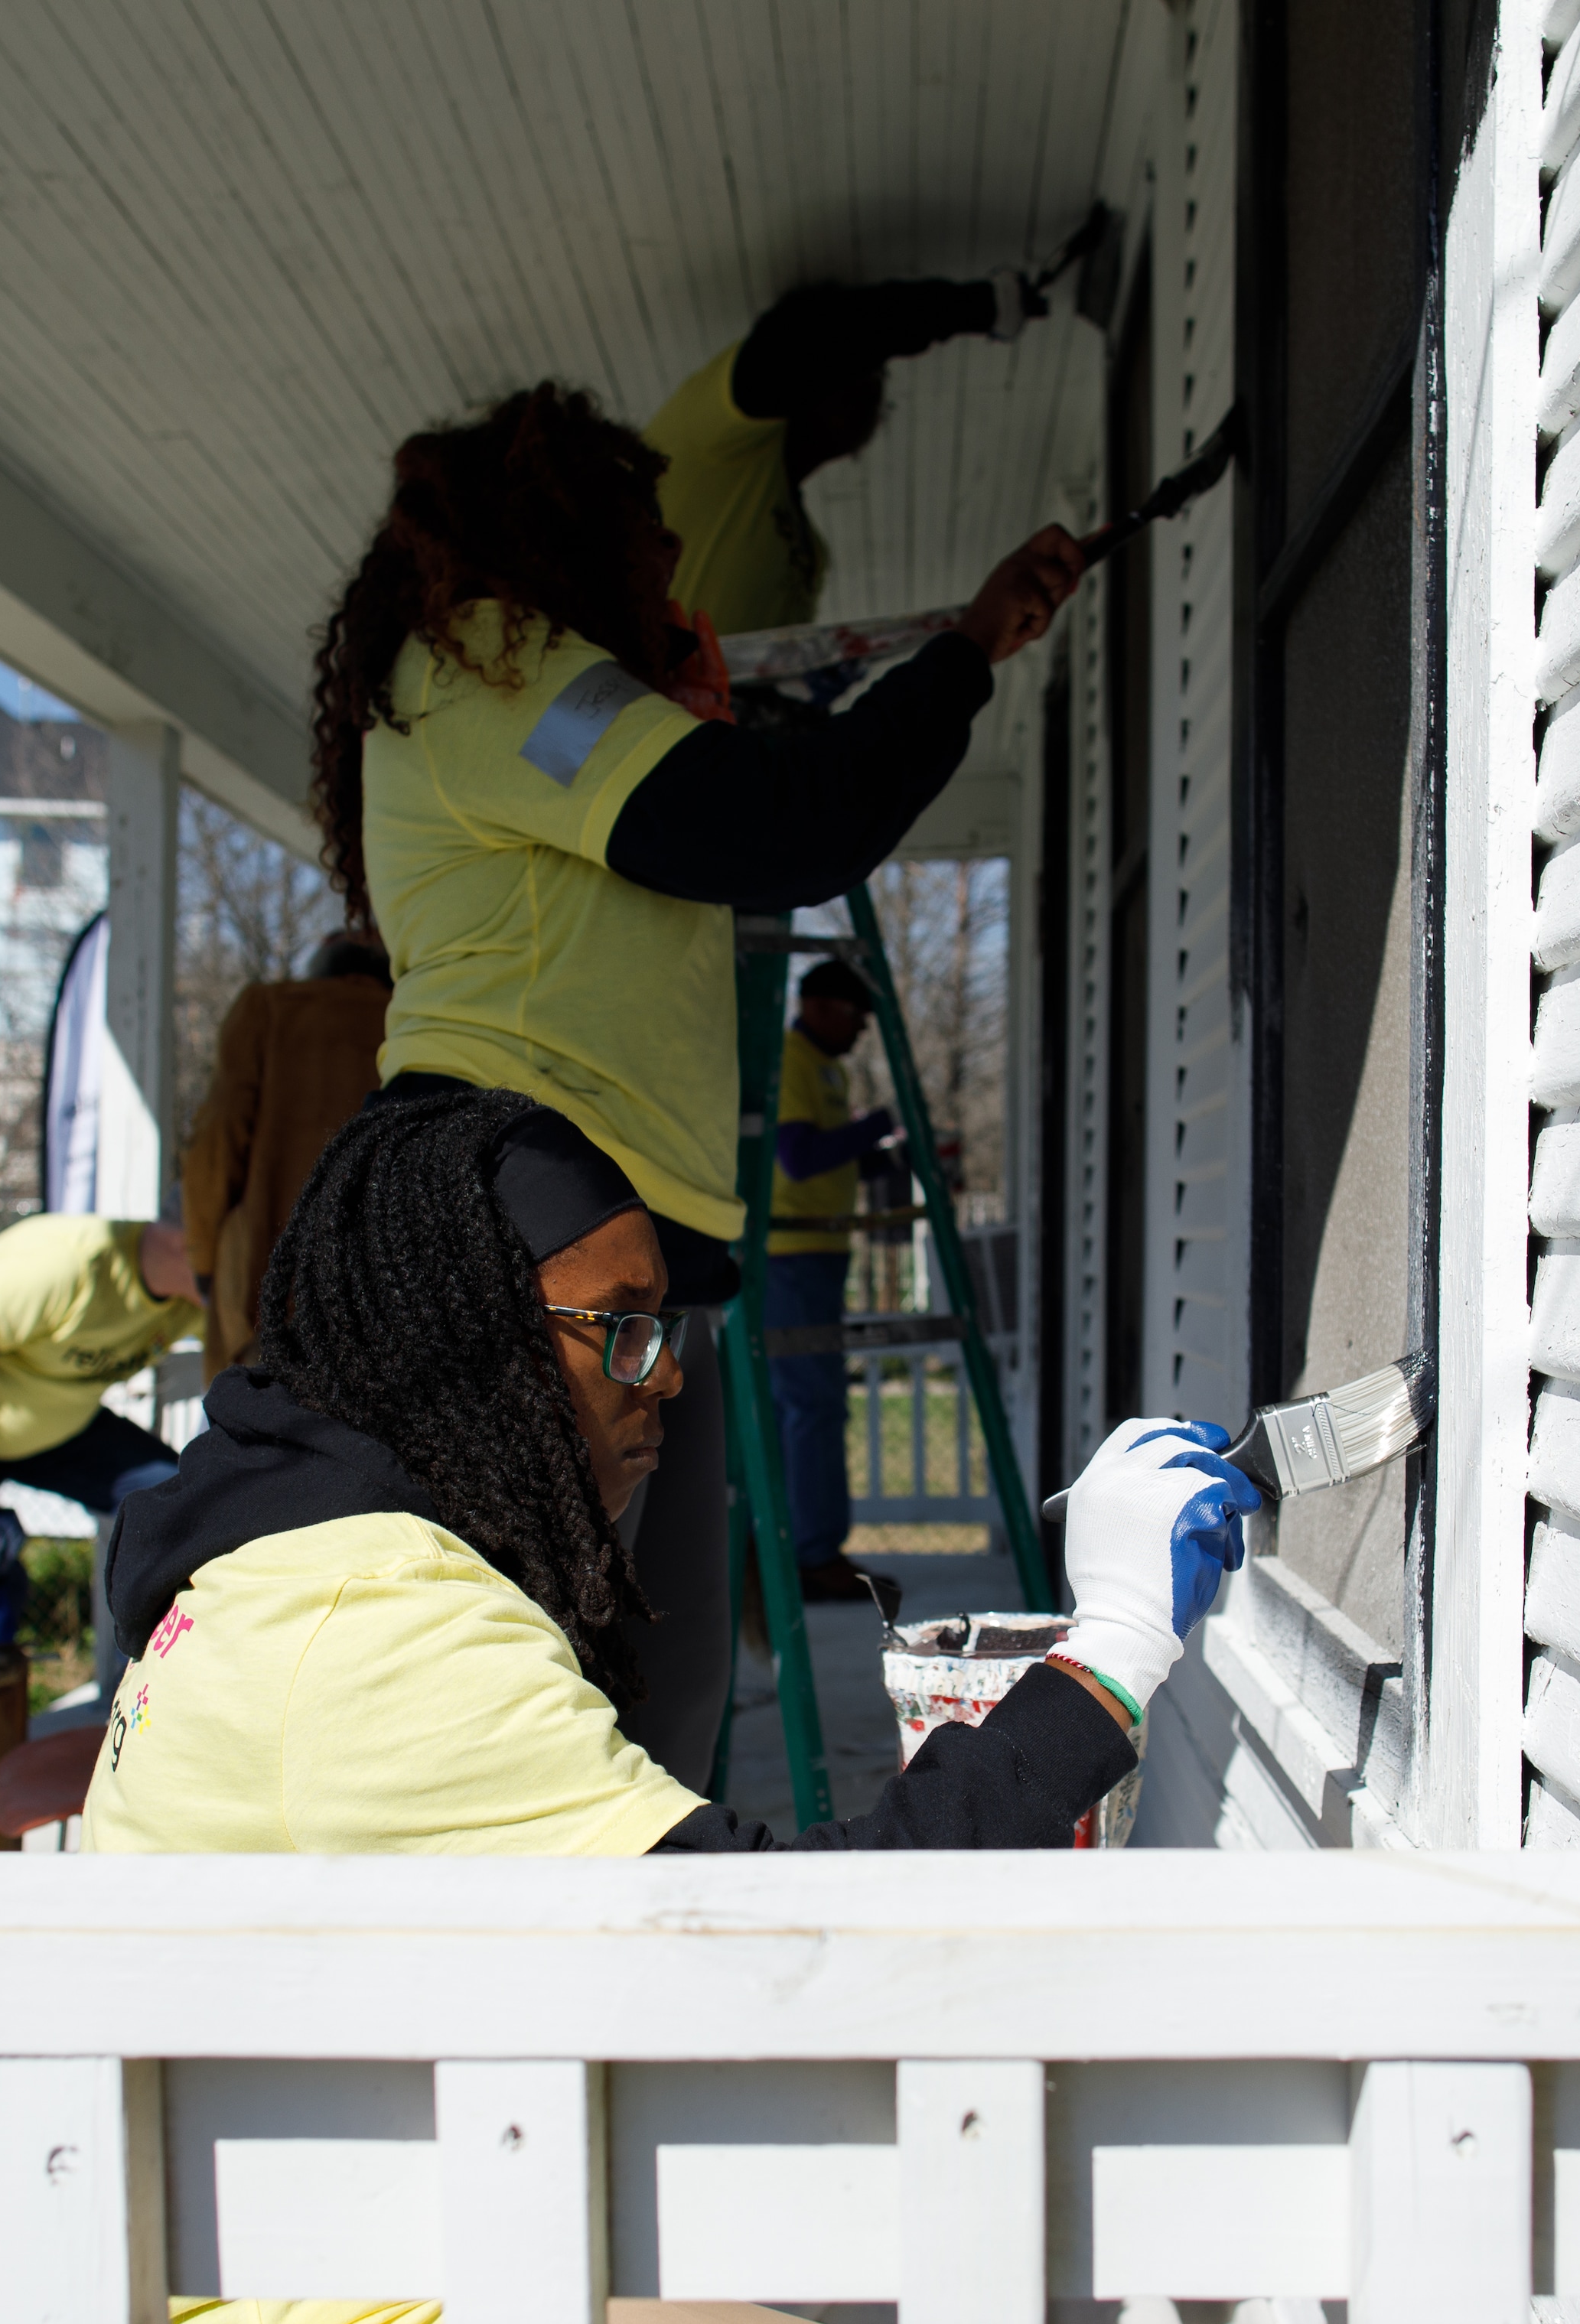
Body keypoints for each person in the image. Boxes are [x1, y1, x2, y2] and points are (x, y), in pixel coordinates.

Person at [0, 1087, 1252, 2324]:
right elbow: (808, 1948)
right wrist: (1117, 1652)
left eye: (672, 1333)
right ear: (468, 1337)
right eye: (619, 1328)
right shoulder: (374, 1616)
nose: (665, 1382)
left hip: (209, 2323)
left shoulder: (287, 1553)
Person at [307, 381, 1080, 1789]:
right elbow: (780, 821)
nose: (669, 562)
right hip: (525, 1221)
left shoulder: (512, 680)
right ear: (557, 540)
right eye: (642, 536)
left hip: (623, 1240)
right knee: (564, 1720)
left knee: (661, 1707)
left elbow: (736, 801)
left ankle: (628, 1990)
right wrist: (963, 650)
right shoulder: (492, 656)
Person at [0, 1211, 202, 1694]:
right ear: (187, 1244)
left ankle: (165, 1688)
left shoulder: (195, 1300)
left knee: (183, 1499)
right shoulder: (70, 1262)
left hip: (45, 1422)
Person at [647, 272, 1051, 637]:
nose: (873, 389)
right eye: (862, 367)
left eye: (877, 376)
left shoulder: (812, 556)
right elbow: (804, 336)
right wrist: (979, 306)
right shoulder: (712, 434)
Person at [178, 926, 390, 1377]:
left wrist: (202, 1262)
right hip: (382, 1312)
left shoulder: (271, 1010)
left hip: (270, 1301)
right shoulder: (409, 1027)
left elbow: (216, 1145)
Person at [764, 957, 906, 1609]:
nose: (858, 1033)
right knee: (809, 1407)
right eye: (854, 1018)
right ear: (819, 1005)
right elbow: (798, 1155)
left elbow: (825, 1153)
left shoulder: (827, 1066)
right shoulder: (790, 1058)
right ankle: (811, 1556)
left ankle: (813, 1547)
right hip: (789, 1252)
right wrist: (873, 1127)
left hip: (817, 1248)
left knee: (814, 1405)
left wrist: (877, 1151)